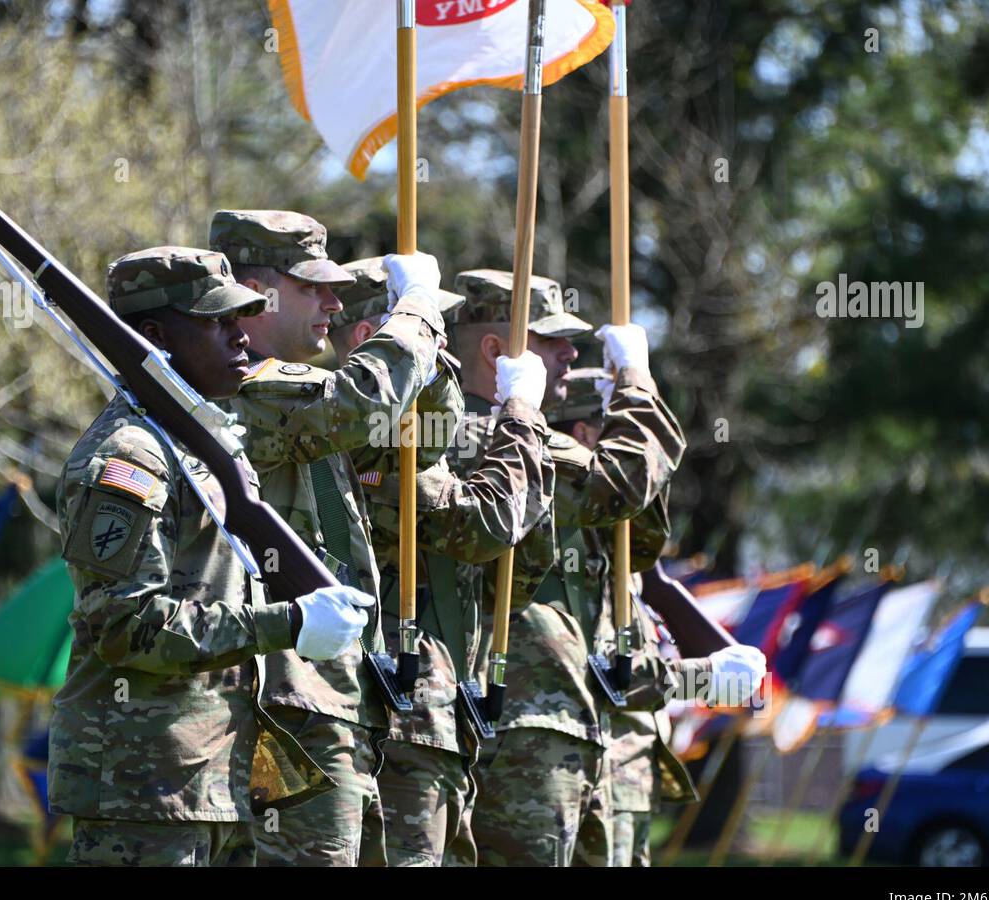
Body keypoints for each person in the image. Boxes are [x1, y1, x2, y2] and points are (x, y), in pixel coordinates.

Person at [49, 246, 372, 867]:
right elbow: (126, 624)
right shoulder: (129, 459)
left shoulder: (203, 446)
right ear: (153, 338)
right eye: (217, 322)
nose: (240, 335)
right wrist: (291, 623)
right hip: (144, 790)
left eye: (240, 318)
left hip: (217, 780)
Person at [209, 210, 448, 865]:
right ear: (259, 291)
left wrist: (419, 338)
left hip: (328, 698)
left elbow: (425, 436)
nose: (334, 304)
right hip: (286, 700)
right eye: (314, 287)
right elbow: (364, 401)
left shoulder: (290, 392)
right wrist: (418, 312)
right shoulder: (247, 393)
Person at [328, 257, 555, 865]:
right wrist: (522, 421)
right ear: (366, 338)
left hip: (441, 712)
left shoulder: (423, 438)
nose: (439, 346)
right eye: (423, 325)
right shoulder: (372, 439)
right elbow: (485, 527)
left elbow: (518, 571)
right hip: (392, 713)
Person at [454, 268, 684, 866]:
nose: (569, 353)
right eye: (548, 338)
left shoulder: (499, 436)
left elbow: (638, 540)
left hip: (548, 717)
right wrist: (636, 383)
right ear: (496, 349)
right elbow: (625, 484)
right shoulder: (490, 438)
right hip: (518, 718)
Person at [544, 368, 765, 866]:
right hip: (578, 766)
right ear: (582, 435)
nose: (639, 464)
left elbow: (654, 580)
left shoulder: (619, 548)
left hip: (627, 766)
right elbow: (599, 675)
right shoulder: (567, 546)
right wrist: (704, 679)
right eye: (621, 437)